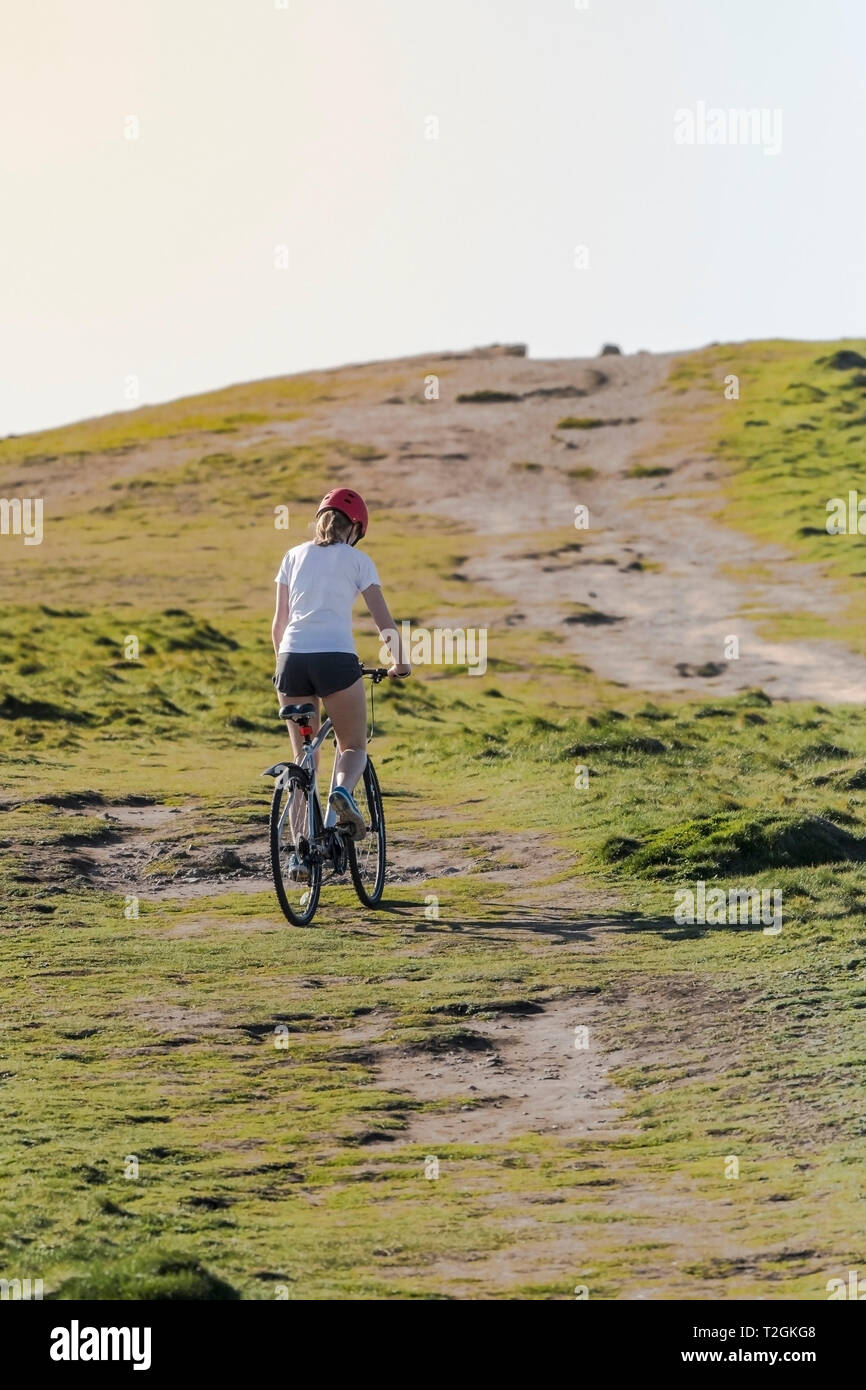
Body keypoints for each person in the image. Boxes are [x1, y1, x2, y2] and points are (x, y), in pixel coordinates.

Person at [271, 488, 410, 876]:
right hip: (335, 660)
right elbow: (383, 621)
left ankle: (300, 854)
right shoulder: (358, 561)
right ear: (356, 530)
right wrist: (400, 663)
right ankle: (343, 793)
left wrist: (283, 666)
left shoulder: (292, 556)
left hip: (290, 662)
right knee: (351, 745)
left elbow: (279, 625)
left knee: (304, 758)